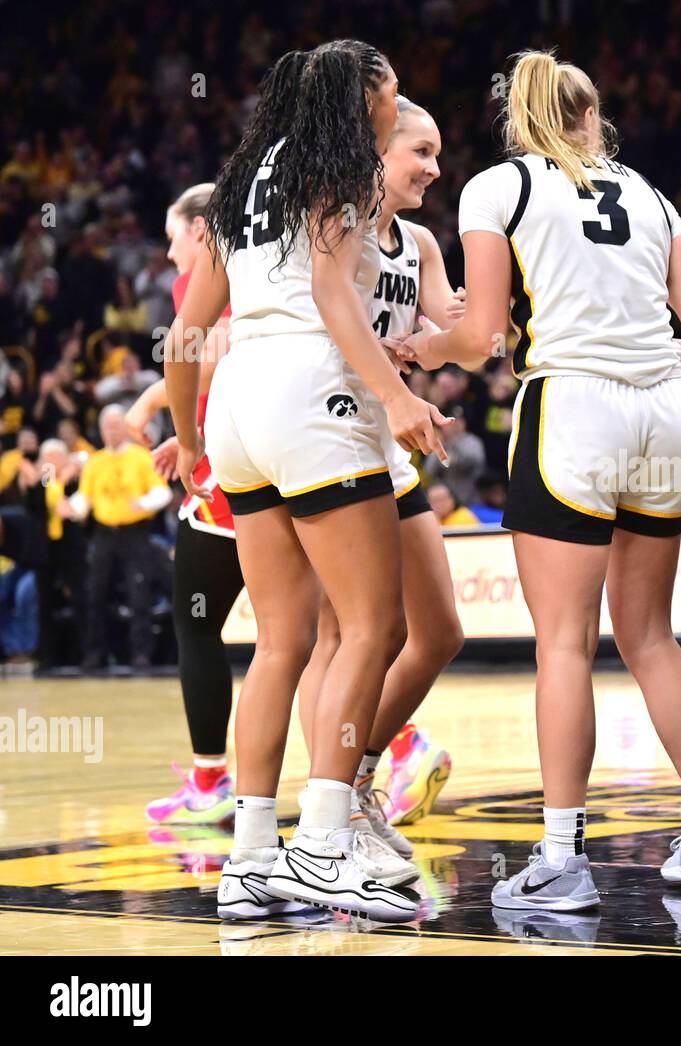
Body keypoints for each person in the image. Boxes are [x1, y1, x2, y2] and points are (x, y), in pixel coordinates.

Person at [394, 50, 681, 909]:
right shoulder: (654, 196)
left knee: (562, 644)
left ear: (518, 121)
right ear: (594, 115)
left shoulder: (497, 187)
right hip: (663, 407)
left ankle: (562, 860)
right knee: (651, 635)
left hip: (574, 409)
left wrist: (418, 349)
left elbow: (480, 338)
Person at [166, 41, 449, 923]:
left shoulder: (246, 175)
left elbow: (186, 327)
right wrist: (397, 394)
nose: (395, 104)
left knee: (282, 642)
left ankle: (251, 859)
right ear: (362, 96)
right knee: (373, 624)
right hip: (311, 392)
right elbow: (333, 294)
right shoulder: (343, 162)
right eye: (391, 91)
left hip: (237, 409)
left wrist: (186, 435)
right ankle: (327, 843)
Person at [296, 95, 466, 880]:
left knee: (436, 634)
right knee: (342, 639)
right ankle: (326, 816)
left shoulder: (422, 241)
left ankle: (356, 778)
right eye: (420, 152)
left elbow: (457, 337)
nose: (433, 168)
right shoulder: (336, 219)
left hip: (391, 441)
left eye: (436, 155)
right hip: (332, 436)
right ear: (379, 151)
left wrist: (471, 325)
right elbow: (322, 313)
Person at [128, 181, 241, 826]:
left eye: (173, 238)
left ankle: (211, 783)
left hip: (239, 470)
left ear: (201, 228)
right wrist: (185, 431)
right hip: (303, 456)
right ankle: (380, 760)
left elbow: (213, 352)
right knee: (326, 636)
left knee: (196, 626)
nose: (170, 256)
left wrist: (153, 407)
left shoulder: (206, 276)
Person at [61, 404, 171, 671]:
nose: (111, 431)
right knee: (95, 594)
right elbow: (84, 499)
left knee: (139, 594)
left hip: (135, 534)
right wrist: (71, 508)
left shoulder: (141, 456)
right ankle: (94, 655)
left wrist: (144, 503)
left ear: (125, 426)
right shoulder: (95, 461)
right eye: (107, 426)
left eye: (116, 425)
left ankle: (141, 655)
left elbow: (163, 492)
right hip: (103, 535)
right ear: (100, 430)